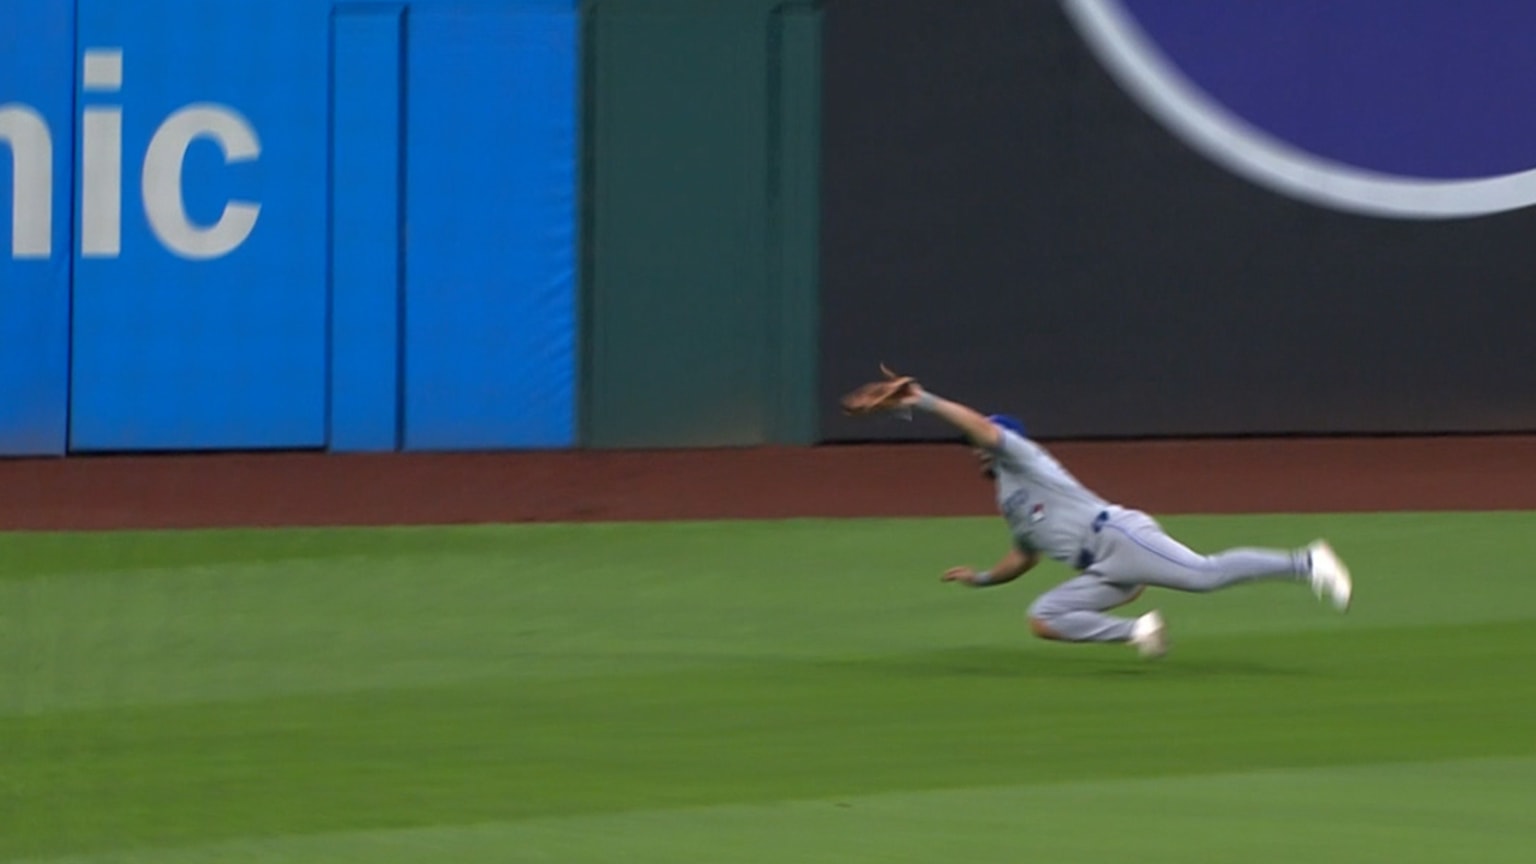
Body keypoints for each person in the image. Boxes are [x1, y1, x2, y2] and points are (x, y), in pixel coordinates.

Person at [869, 380, 1352, 659]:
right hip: (1104, 569)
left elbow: (980, 427)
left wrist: (923, 401)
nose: (974, 451)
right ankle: (1138, 631)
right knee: (1044, 618)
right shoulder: (1008, 496)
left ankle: (1306, 562)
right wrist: (978, 579)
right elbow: (1024, 555)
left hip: (1120, 536)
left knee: (1203, 575)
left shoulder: (1025, 458)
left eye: (979, 444)